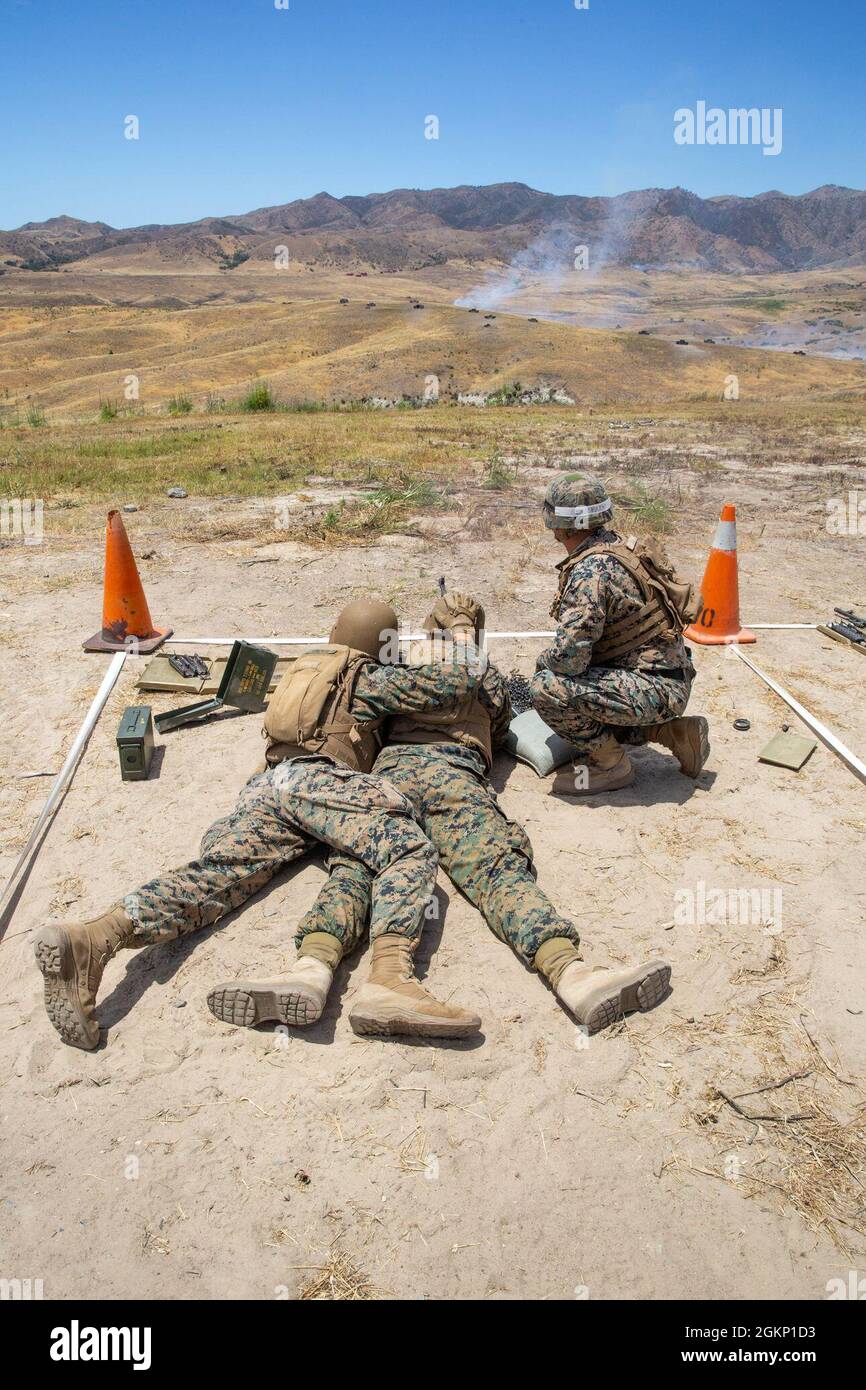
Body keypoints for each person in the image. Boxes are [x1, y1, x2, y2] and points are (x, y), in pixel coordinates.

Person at [34, 599, 484, 1050]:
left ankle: (97, 936)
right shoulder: (363, 678)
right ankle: (390, 977)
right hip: (316, 781)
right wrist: (461, 630)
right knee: (407, 847)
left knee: (219, 875)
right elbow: (458, 682)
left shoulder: (306, 669)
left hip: (267, 785)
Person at [218, 593, 672, 1036]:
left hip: (386, 777)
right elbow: (499, 716)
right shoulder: (477, 670)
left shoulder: (386, 667)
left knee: (359, 870)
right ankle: (573, 975)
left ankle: (311, 969)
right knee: (495, 870)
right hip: (450, 772)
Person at [529, 474, 710, 796]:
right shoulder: (618, 547)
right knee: (585, 691)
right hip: (663, 678)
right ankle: (674, 734)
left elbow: (569, 660)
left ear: (558, 523)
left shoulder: (591, 571)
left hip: (653, 686)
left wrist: (542, 661)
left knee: (549, 687)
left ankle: (610, 766)